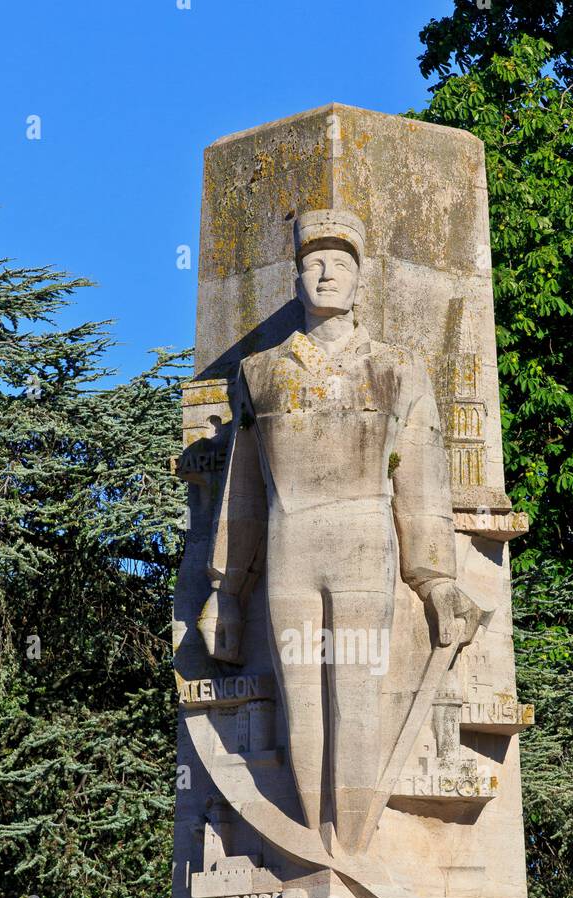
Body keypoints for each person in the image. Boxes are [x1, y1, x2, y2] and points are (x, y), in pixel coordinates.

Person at [201, 208, 479, 854]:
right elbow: (242, 490)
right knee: (302, 706)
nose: (326, 273)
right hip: (291, 540)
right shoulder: (261, 375)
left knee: (355, 700)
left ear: (360, 281)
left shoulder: (396, 369)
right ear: (296, 278)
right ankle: (316, 847)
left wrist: (437, 582)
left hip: (363, 543)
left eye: (341, 264)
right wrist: (227, 591)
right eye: (312, 263)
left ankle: (349, 850)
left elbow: (421, 488)